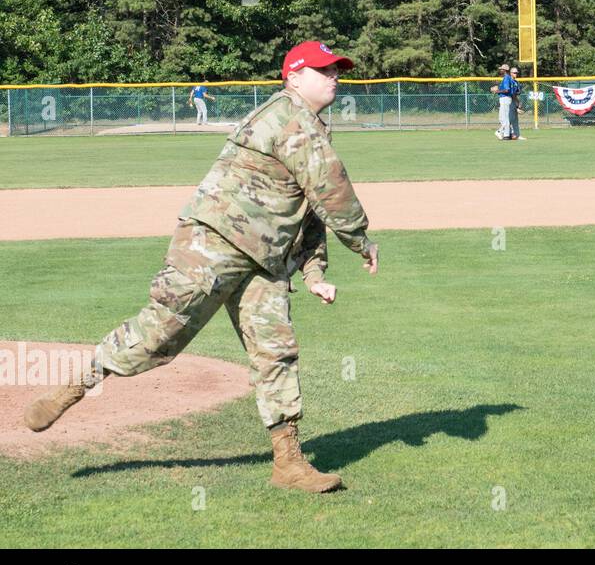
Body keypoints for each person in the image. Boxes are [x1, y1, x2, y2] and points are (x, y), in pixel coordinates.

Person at [23, 40, 381, 494]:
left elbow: (308, 207)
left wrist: (313, 272)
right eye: (325, 70)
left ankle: (288, 462)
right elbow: (332, 190)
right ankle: (76, 384)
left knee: (276, 352)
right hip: (211, 245)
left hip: (263, 259)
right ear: (293, 76)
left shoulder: (310, 126)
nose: (335, 77)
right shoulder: (289, 118)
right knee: (159, 338)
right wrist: (360, 240)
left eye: (338, 70)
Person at [490, 64, 513, 140]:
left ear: (505, 70)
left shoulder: (506, 78)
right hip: (505, 98)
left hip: (505, 98)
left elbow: (507, 90)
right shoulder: (507, 78)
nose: (500, 70)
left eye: (501, 69)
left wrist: (497, 91)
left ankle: (503, 133)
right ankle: (505, 133)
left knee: (504, 118)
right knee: (502, 118)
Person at [508, 66, 524, 141]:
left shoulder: (516, 82)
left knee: (515, 120)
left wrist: (518, 103)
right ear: (510, 73)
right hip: (508, 101)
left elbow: (515, 94)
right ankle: (503, 133)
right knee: (509, 119)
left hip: (513, 101)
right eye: (514, 73)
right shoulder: (508, 81)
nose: (516, 74)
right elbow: (510, 94)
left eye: (517, 73)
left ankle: (517, 135)